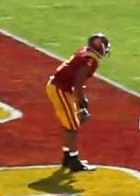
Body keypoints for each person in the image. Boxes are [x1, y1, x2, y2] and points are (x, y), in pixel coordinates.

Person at [46, 33, 110, 172]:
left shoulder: (85, 51)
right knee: (73, 126)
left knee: (69, 124)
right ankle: (73, 160)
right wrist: (82, 104)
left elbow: (76, 81)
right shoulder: (90, 60)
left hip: (60, 87)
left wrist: (80, 100)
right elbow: (78, 84)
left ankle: (67, 157)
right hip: (61, 89)